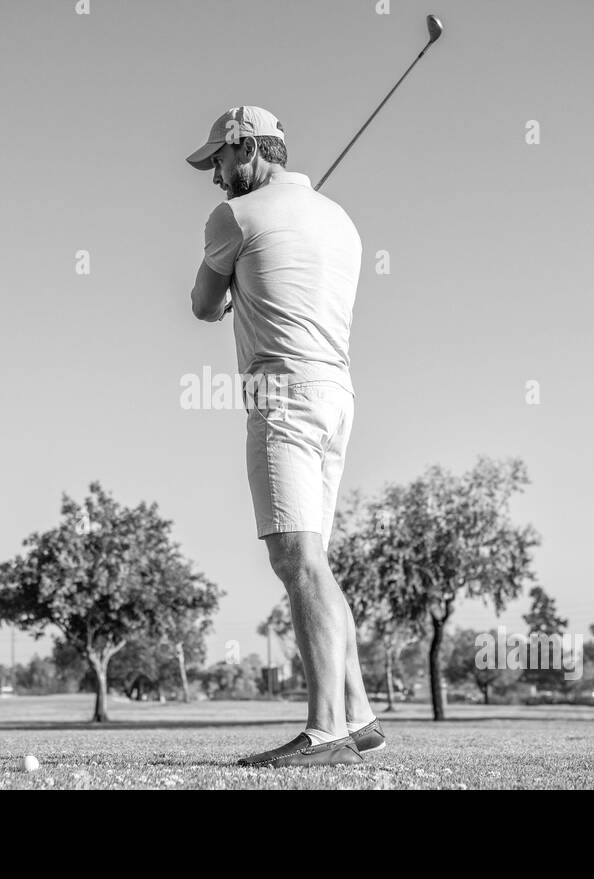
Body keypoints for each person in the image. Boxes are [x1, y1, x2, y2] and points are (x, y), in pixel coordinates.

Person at [185, 106, 387, 768]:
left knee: (296, 560)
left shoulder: (234, 219)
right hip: (338, 397)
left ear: (245, 148)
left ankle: (325, 727)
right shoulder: (342, 221)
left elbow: (202, 304)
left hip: (283, 398)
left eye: (217, 159)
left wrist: (231, 284)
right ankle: (357, 715)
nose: (214, 175)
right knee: (314, 561)